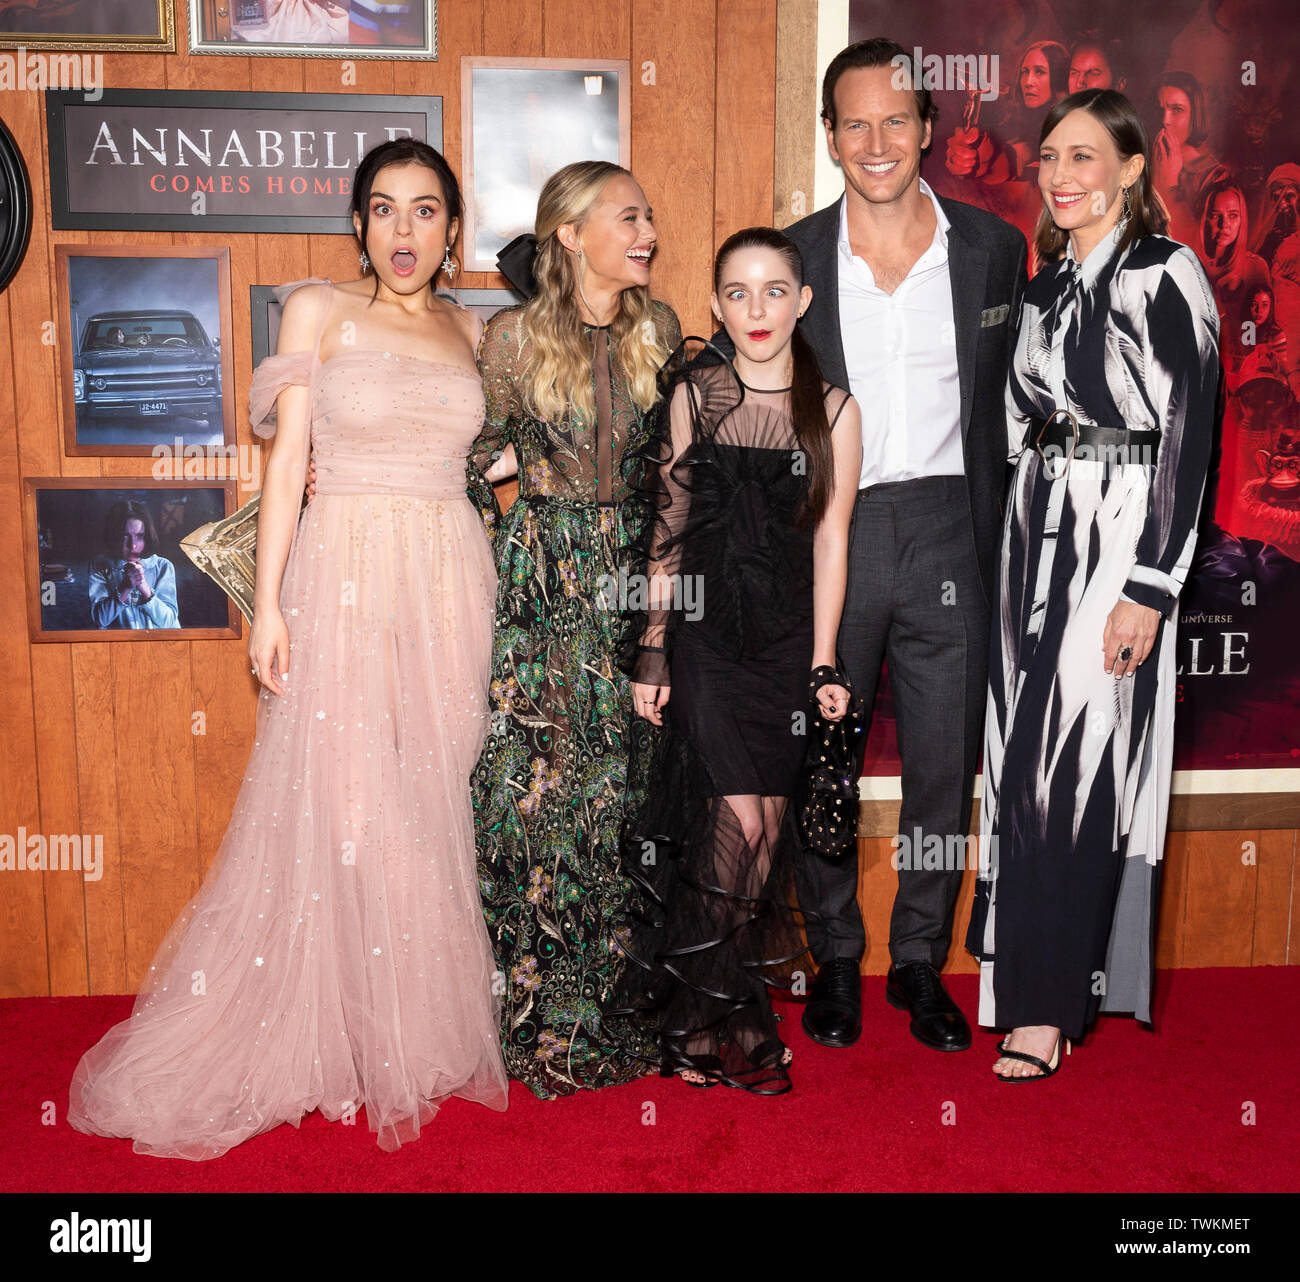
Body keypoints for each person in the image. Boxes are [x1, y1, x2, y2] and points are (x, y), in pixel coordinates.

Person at [68, 138, 508, 1158]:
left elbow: (487, 463)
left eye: (427, 210)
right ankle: (335, 1039)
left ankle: (398, 1029)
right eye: (385, 209)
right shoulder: (317, 310)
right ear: (357, 224)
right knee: (348, 811)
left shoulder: (468, 331)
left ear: (451, 229)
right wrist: (267, 607)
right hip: (345, 572)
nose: (405, 230)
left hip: (451, 579)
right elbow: (288, 463)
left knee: (427, 796)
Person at [768, 37, 1027, 1055]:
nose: (875, 142)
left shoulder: (993, 249)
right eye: (854, 123)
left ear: (928, 131)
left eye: (895, 121)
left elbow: (1017, 398)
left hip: (953, 528)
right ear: (828, 136)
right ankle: (834, 953)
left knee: (940, 764)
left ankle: (918, 960)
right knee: (820, 755)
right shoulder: (789, 259)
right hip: (831, 533)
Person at [968, 89, 1219, 1081]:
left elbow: (1188, 442)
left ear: (1129, 168)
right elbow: (1013, 426)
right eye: (1049, 159)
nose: (1061, 176)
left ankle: (1046, 1006)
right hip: (1033, 542)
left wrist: (1148, 587)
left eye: (1084, 156)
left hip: (1116, 543)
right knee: (1021, 766)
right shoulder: (1040, 287)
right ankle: (1021, 985)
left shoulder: (1165, 275)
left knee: (1075, 769)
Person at [620, 227, 861, 1092]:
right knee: (744, 825)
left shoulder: (832, 411)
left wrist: (825, 663)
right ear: (718, 304)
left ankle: (700, 1019)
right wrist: (653, 650)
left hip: (790, 645)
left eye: (773, 291)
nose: (755, 310)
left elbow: (833, 542)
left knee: (763, 845)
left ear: (801, 301)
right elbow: (668, 530)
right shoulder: (698, 394)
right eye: (736, 292)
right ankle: (730, 1017)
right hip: (708, 640)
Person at [469, 161, 682, 1098]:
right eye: (627, 217)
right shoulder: (511, 339)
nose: (646, 232)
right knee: (532, 800)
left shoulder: (662, 330)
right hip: (541, 580)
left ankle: (604, 1007)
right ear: (570, 233)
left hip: (635, 575)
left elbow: (680, 473)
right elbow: (471, 459)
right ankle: (529, 1017)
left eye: (646, 217)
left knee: (618, 795)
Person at [89, 500, 180, 629]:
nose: (133, 545)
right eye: (125, 536)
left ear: (147, 535)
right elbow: (101, 620)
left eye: (140, 536)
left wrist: (144, 588)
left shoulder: (163, 566)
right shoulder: (100, 565)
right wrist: (124, 588)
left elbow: (169, 622)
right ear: (114, 536)